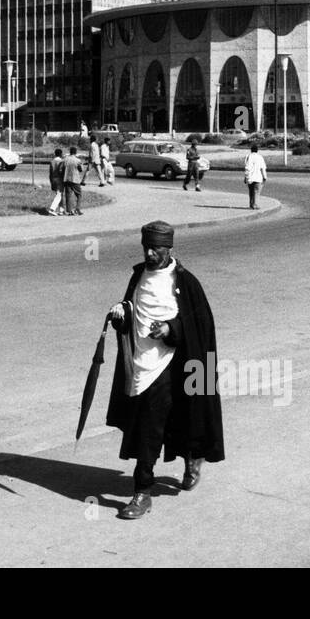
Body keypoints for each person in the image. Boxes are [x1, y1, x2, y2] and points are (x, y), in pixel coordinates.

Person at [105, 220, 224, 520]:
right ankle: (149, 487)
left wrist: (171, 329)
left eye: (155, 249)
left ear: (169, 248)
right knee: (149, 426)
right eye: (146, 247)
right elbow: (134, 312)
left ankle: (152, 484)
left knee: (169, 420)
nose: (149, 253)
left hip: (176, 365)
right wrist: (121, 313)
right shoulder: (138, 276)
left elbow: (200, 325)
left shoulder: (185, 282)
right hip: (141, 364)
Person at [243, 142, 267, 209]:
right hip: (258, 177)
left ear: (251, 150)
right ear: (257, 150)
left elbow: (247, 168)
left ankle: (251, 204)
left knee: (251, 191)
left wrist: (245, 177)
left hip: (250, 177)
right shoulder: (260, 157)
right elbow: (263, 168)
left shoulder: (248, 157)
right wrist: (264, 176)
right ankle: (255, 204)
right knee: (256, 191)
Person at [62, 145, 85, 215]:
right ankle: (77, 209)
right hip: (75, 180)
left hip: (66, 179)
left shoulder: (65, 159)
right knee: (79, 194)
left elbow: (62, 168)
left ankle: (69, 211)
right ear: (76, 152)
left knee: (68, 195)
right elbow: (81, 170)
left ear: (70, 152)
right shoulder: (78, 160)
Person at [48, 147, 66, 216]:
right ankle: (52, 209)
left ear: (55, 154)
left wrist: (51, 181)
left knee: (59, 194)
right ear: (61, 154)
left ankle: (61, 210)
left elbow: (50, 173)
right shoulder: (61, 161)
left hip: (53, 179)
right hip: (60, 179)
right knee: (59, 195)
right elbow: (62, 171)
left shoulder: (52, 161)